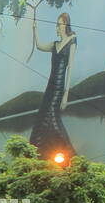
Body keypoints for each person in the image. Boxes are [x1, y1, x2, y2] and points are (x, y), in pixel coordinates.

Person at [29, 11, 77, 163]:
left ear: (65, 24)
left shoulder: (72, 40)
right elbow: (38, 46)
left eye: (59, 23)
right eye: (57, 24)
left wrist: (66, 94)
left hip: (58, 89)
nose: (57, 26)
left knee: (53, 120)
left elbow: (70, 68)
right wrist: (34, 30)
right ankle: (36, 154)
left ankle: (71, 157)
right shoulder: (54, 44)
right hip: (49, 88)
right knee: (41, 118)